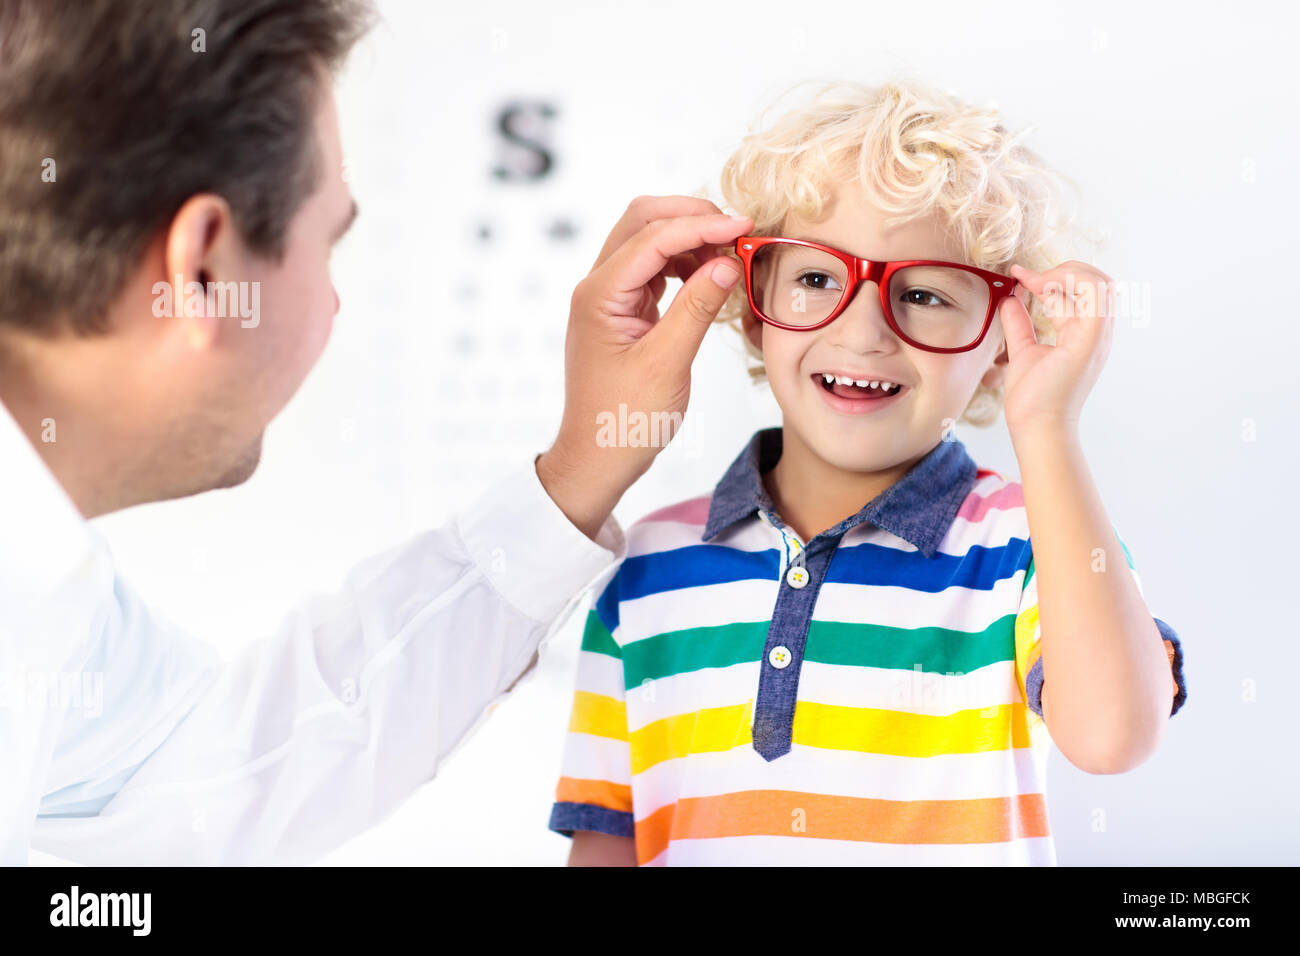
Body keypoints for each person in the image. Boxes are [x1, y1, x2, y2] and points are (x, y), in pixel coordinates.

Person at [0, 0, 753, 864]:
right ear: (202, 268)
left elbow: (215, 768)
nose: (333, 302)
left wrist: (576, 473)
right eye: (329, 245)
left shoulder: (47, 594)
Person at [548, 79, 1188, 866]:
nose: (865, 331)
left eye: (922, 294)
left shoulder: (1033, 547)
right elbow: (608, 843)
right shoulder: (647, 564)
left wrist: (1046, 426)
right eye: (817, 278)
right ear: (754, 309)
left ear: (998, 348)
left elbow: (1112, 737)